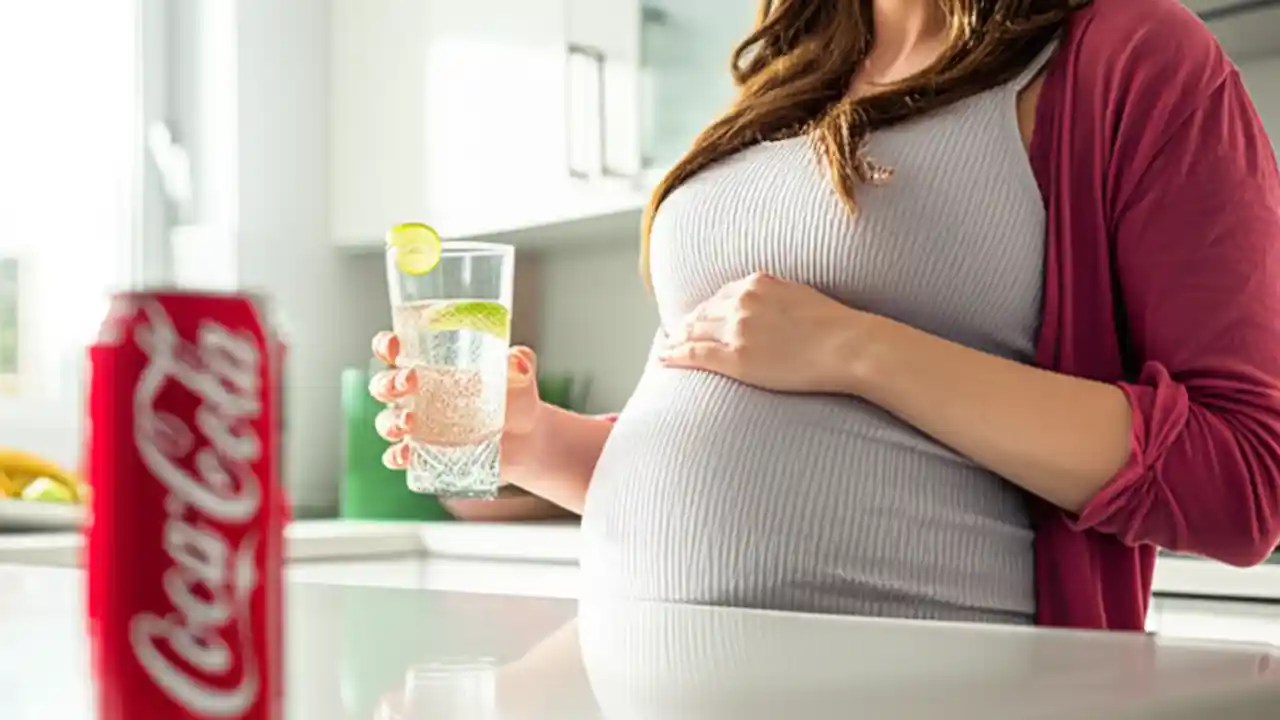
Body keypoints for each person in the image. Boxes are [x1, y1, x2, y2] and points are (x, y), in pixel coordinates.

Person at [369, 0, 1280, 630]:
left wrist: (856, 347)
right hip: (645, 664)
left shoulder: (1131, 57)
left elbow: (1243, 480)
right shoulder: (785, 87)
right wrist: (537, 444)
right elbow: (749, 433)